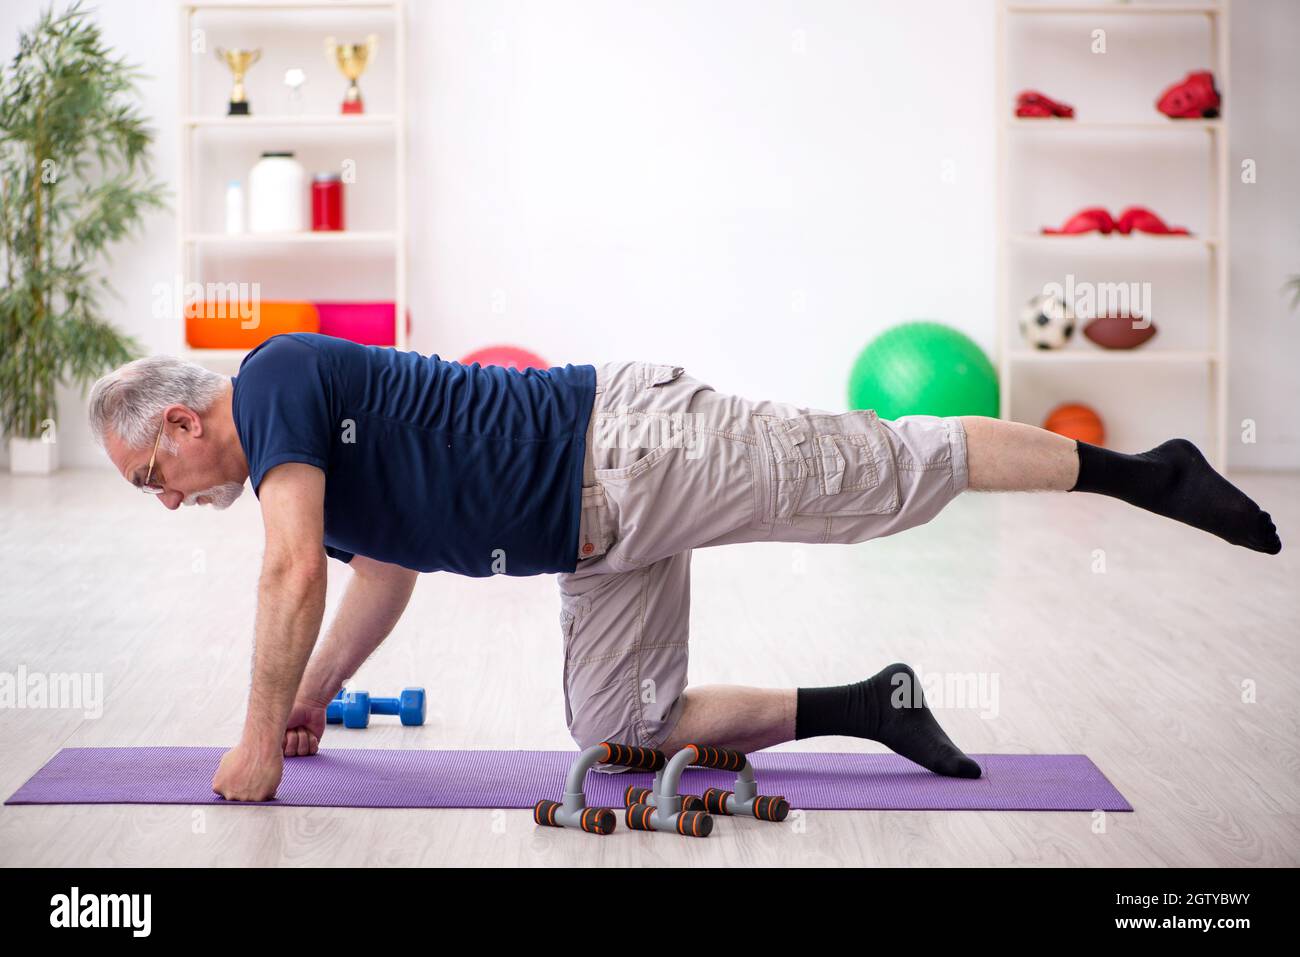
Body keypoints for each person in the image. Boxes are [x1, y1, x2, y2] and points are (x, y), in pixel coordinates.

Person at [87, 333, 1281, 800]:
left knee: (887, 477)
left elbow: (287, 577)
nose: (169, 503)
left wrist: (254, 748)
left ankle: (1146, 472)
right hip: (592, 545)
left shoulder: (281, 379)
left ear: (184, 426)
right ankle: (875, 706)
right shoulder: (316, 474)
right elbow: (377, 573)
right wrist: (307, 696)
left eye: (154, 478)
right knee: (618, 723)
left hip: (633, 449)